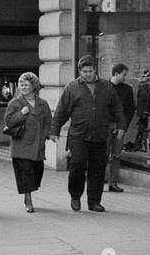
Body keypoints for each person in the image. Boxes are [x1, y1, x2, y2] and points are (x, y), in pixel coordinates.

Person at [49, 56, 125, 213]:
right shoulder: (72, 87)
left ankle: (94, 201)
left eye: (90, 71)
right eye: (84, 71)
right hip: (78, 135)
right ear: (79, 71)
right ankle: (75, 196)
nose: (88, 74)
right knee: (78, 164)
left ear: (95, 70)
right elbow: (62, 110)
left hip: (100, 134)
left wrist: (121, 126)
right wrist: (54, 130)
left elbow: (117, 107)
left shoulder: (106, 87)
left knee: (98, 168)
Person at [4, 72, 51, 212]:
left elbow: (48, 121)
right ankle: (28, 200)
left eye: (26, 85)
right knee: (26, 174)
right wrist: (21, 114)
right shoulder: (15, 102)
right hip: (21, 145)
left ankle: (29, 192)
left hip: (37, 145)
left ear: (33, 86)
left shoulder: (43, 104)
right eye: (21, 85)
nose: (22, 87)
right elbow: (8, 121)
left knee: (37, 173)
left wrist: (46, 135)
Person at [107, 63, 136, 193]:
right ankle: (100, 181)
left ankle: (113, 183)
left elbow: (130, 109)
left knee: (117, 155)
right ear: (116, 73)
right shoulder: (104, 87)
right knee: (102, 154)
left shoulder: (127, 89)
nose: (125, 77)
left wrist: (123, 126)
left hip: (120, 126)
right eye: (123, 74)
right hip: (106, 126)